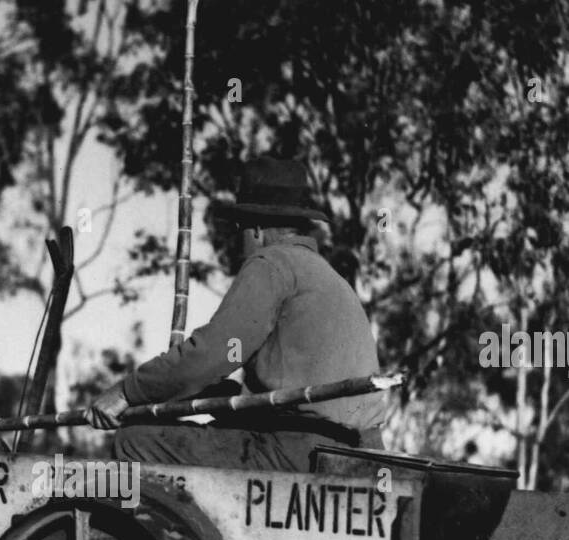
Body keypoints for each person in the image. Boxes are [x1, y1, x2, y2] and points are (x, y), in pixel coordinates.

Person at [88, 158, 386, 472]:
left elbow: (210, 356)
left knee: (134, 441)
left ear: (255, 229)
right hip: (356, 451)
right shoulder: (329, 277)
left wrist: (127, 391)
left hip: (298, 450)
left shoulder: (271, 264)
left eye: (239, 229)